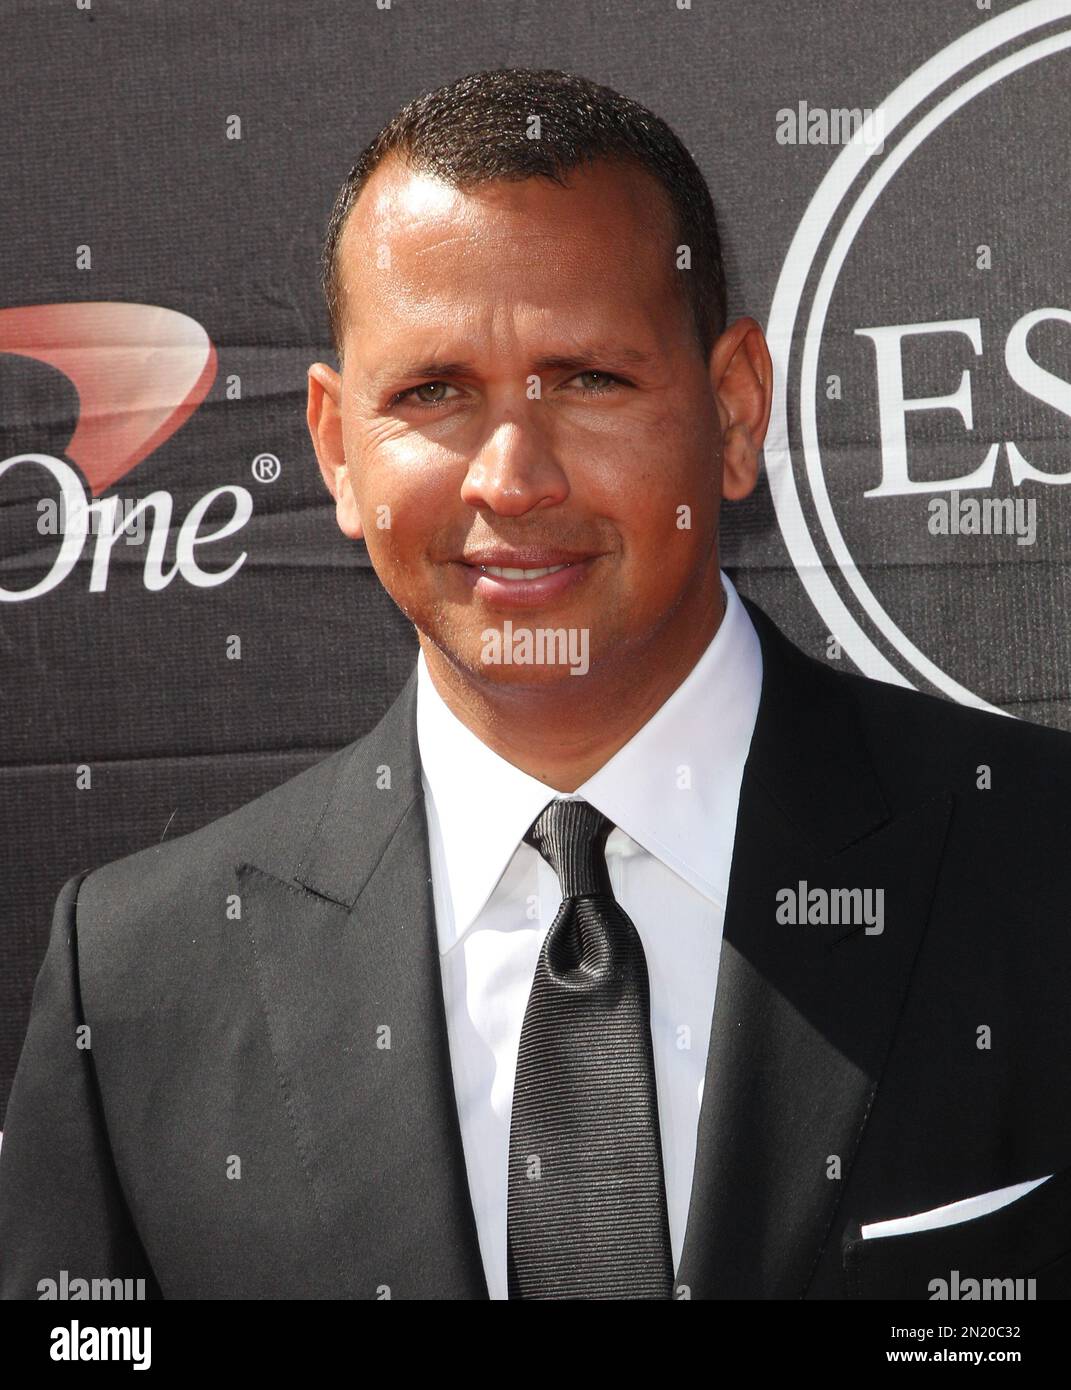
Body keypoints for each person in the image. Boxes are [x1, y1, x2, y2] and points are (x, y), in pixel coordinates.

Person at [2, 66, 1070, 1302]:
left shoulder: (1037, 860)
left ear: (732, 411)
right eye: (434, 394)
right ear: (337, 448)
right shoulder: (134, 976)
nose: (512, 478)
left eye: (587, 380)